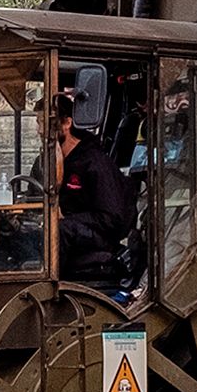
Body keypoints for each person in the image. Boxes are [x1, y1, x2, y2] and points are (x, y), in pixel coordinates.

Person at [53, 97, 143, 299]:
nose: (40, 131)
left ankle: (47, 287)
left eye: (44, 124)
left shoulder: (95, 163)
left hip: (100, 237)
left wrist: (65, 218)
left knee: (57, 230)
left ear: (67, 123)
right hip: (75, 232)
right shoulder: (53, 162)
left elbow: (112, 219)